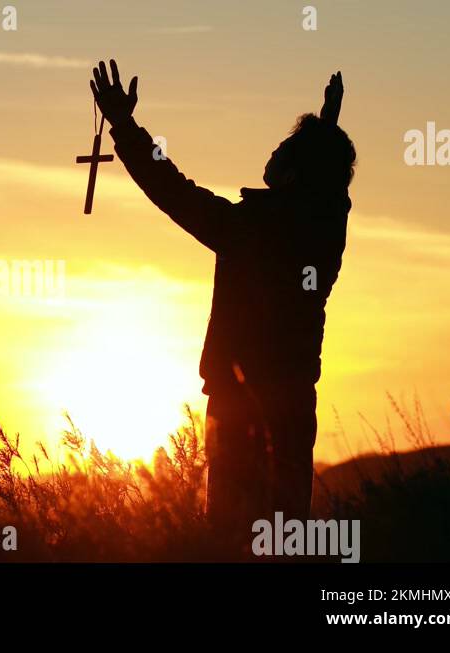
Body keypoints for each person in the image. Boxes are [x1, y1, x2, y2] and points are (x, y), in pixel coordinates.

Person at [90, 60, 355, 555]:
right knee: (282, 544)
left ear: (294, 172)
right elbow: (328, 195)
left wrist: (124, 127)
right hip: (294, 406)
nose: (274, 149)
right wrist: (326, 127)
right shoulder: (322, 234)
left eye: (285, 147)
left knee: (232, 545)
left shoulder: (250, 232)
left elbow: (172, 190)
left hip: (238, 412)